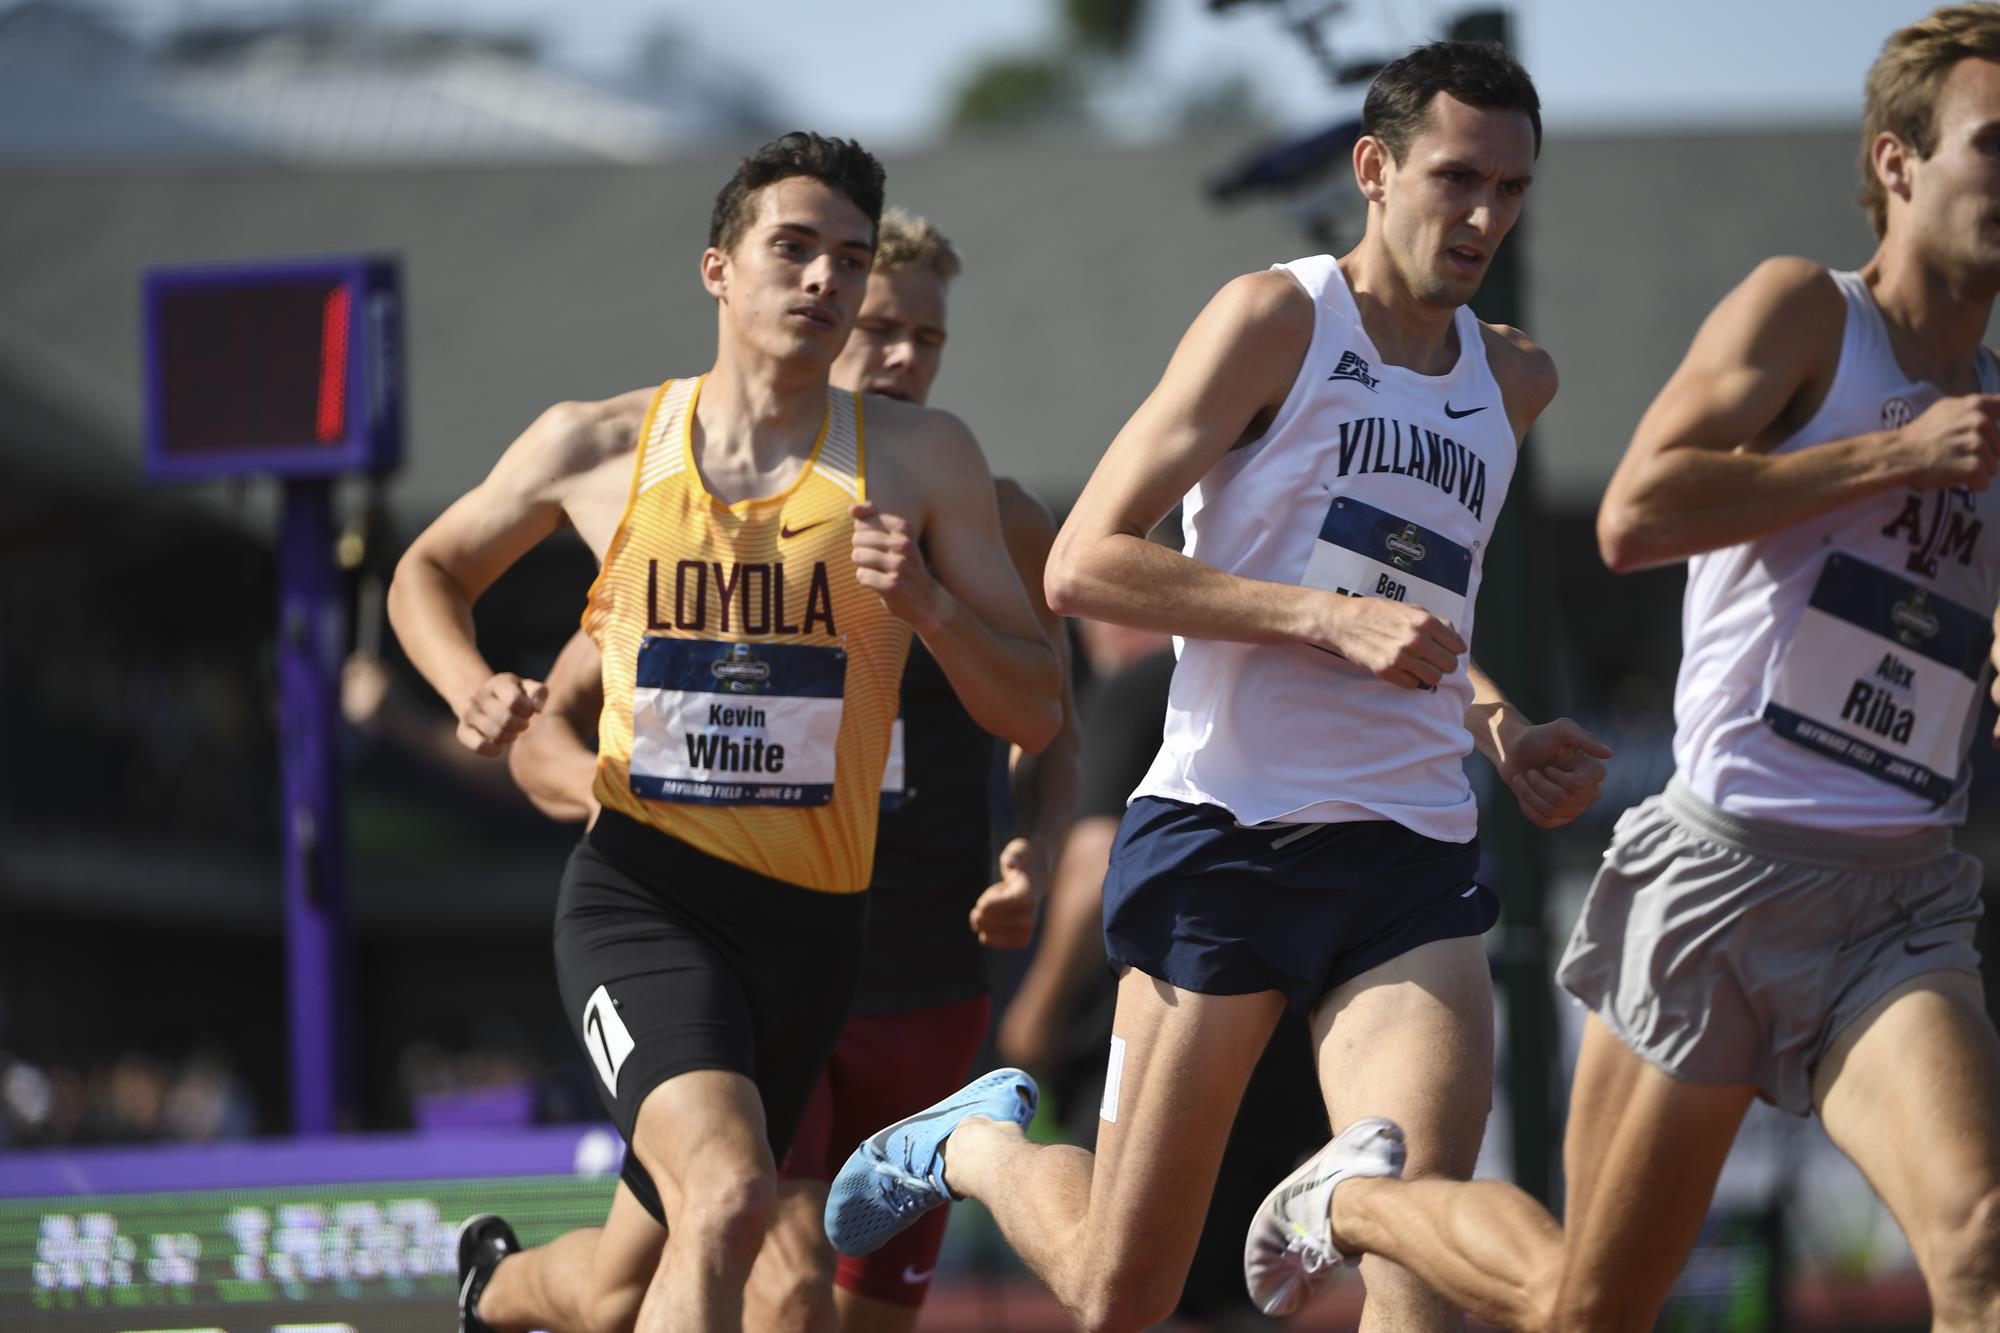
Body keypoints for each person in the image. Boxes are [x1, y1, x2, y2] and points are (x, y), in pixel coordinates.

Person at [1216, 9, 2000, 1332]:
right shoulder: (1811, 310)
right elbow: (1635, 515)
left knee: (1981, 1244)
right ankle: (1346, 1205)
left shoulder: (1989, 389)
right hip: (1730, 881)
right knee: (1587, 1306)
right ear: (1901, 162)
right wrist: (1895, 454)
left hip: (1900, 898)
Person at [823, 42, 1610, 1333]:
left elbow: (1425, 612)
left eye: (1512, 189)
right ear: (1374, 168)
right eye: (1456, 178)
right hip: (1228, 841)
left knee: (1418, 1270)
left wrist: (1500, 723)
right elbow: (1085, 561)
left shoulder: (1511, 379)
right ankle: (972, 1148)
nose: (1483, 217)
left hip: (1411, 853)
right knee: (1119, 1294)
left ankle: (1336, 1206)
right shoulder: (1276, 320)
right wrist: (1322, 618)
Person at [385, 132, 1063, 1333]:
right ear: (717, 268)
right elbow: (427, 568)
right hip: (647, 900)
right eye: (792, 250)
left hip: (816, 935)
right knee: (733, 1196)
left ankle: (493, 1292)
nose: (823, 282)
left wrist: (931, 611)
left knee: (619, 1293)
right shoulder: (600, 447)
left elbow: (1035, 707)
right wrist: (467, 683)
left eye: (846, 261)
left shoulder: (923, 465)